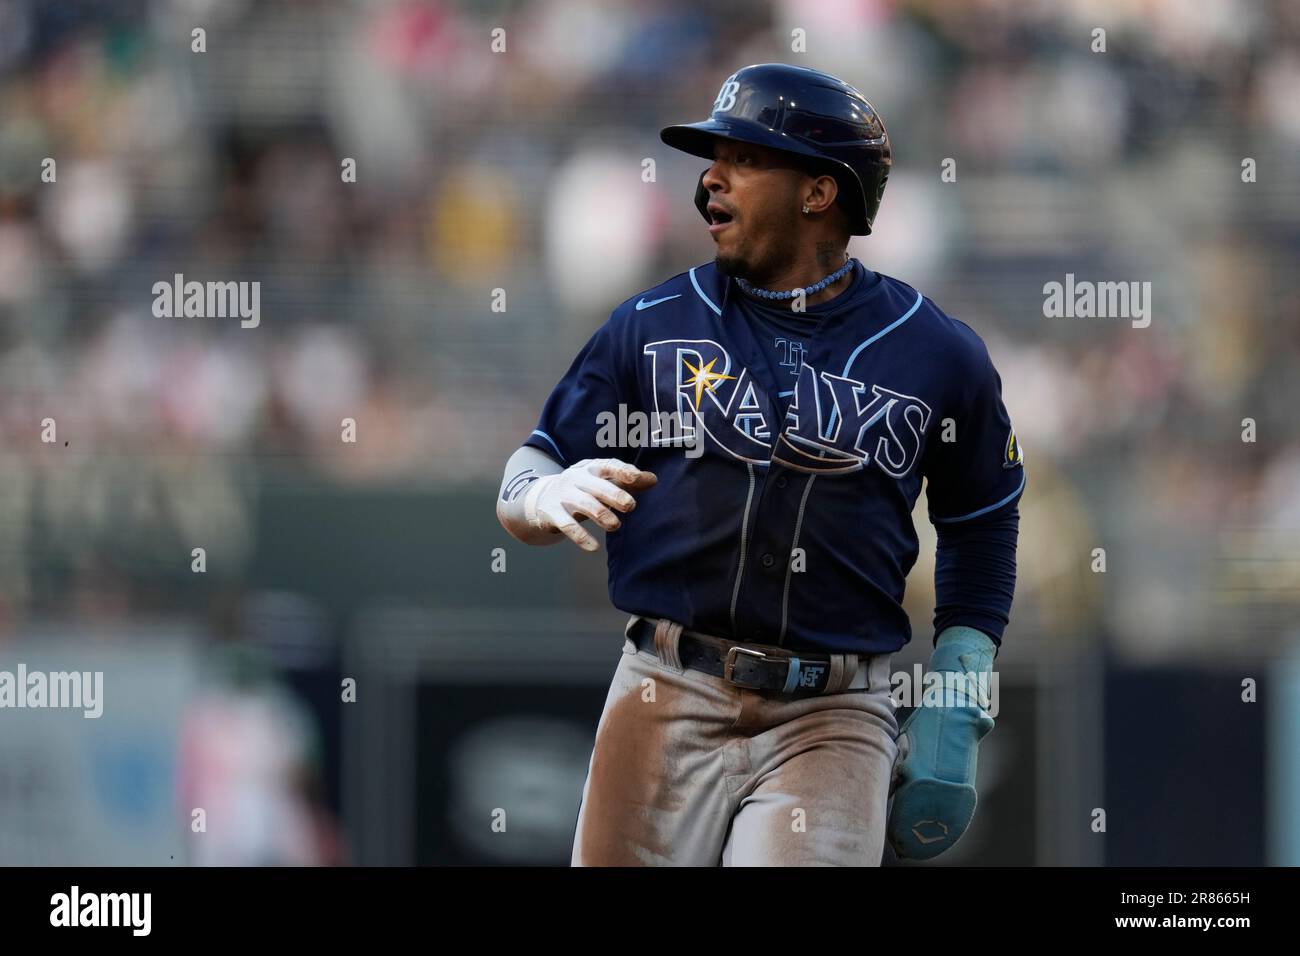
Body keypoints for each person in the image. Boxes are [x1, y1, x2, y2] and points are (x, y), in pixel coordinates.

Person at [496, 63, 1024, 866]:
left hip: (834, 714)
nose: (711, 178)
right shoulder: (651, 323)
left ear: (818, 193)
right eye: (713, 159)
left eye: (743, 158)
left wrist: (956, 694)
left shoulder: (937, 354)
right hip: (664, 684)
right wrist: (540, 495)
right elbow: (533, 467)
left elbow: (982, 521)